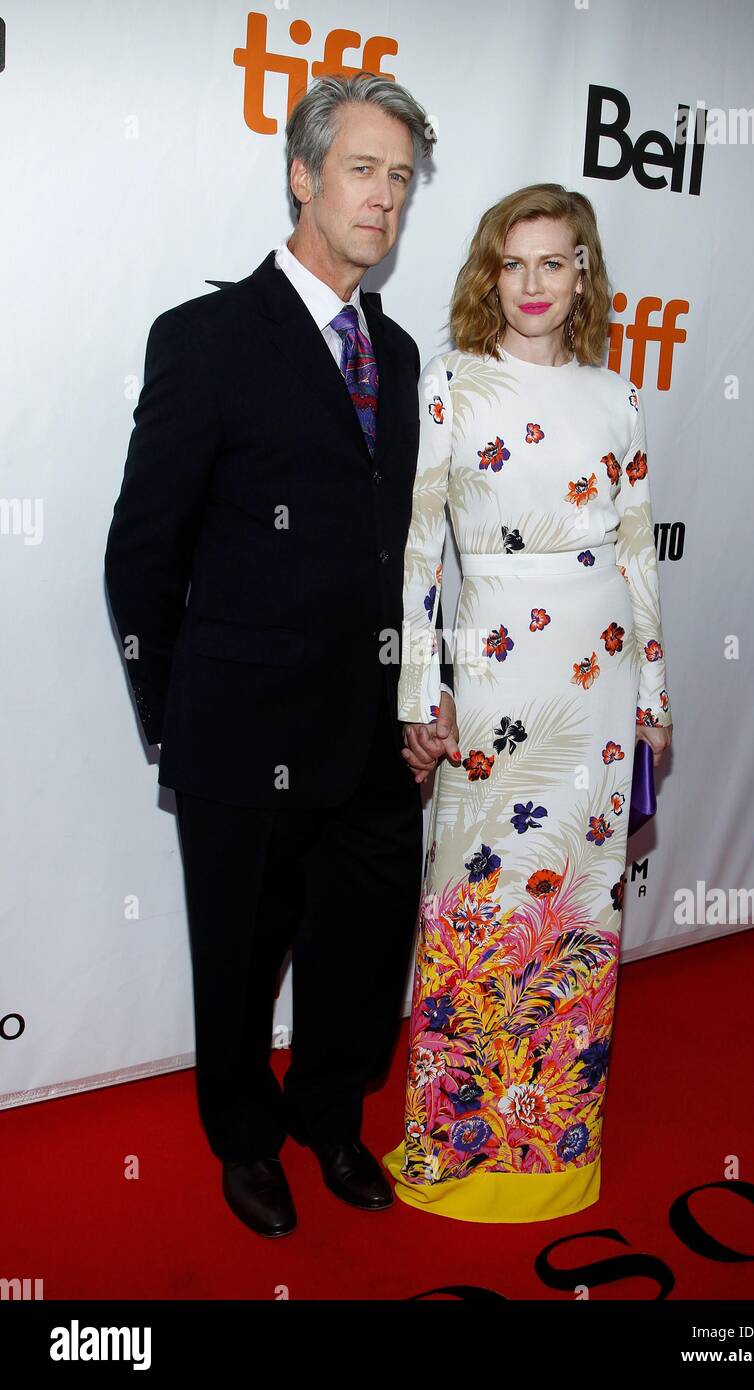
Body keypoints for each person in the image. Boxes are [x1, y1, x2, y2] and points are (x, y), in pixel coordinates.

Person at [103, 73, 457, 1238]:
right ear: (302, 175)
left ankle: (330, 1120)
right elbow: (140, 554)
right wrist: (183, 723)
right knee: (241, 962)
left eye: (399, 178)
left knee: (361, 952)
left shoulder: (399, 357)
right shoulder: (205, 340)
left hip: (368, 735)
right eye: (361, 169)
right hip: (239, 735)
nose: (382, 197)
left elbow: (403, 550)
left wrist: (415, 688)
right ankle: (245, 1142)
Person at [381, 183, 674, 1223]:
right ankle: (455, 1148)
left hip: (596, 677)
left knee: (580, 899)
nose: (535, 283)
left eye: (555, 262)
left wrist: (651, 691)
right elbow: (420, 552)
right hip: (498, 666)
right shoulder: (451, 385)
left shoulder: (616, 395)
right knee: (477, 898)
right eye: (515, 263)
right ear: (488, 274)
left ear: (582, 272)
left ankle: (553, 1149)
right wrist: (424, 689)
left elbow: (637, 554)